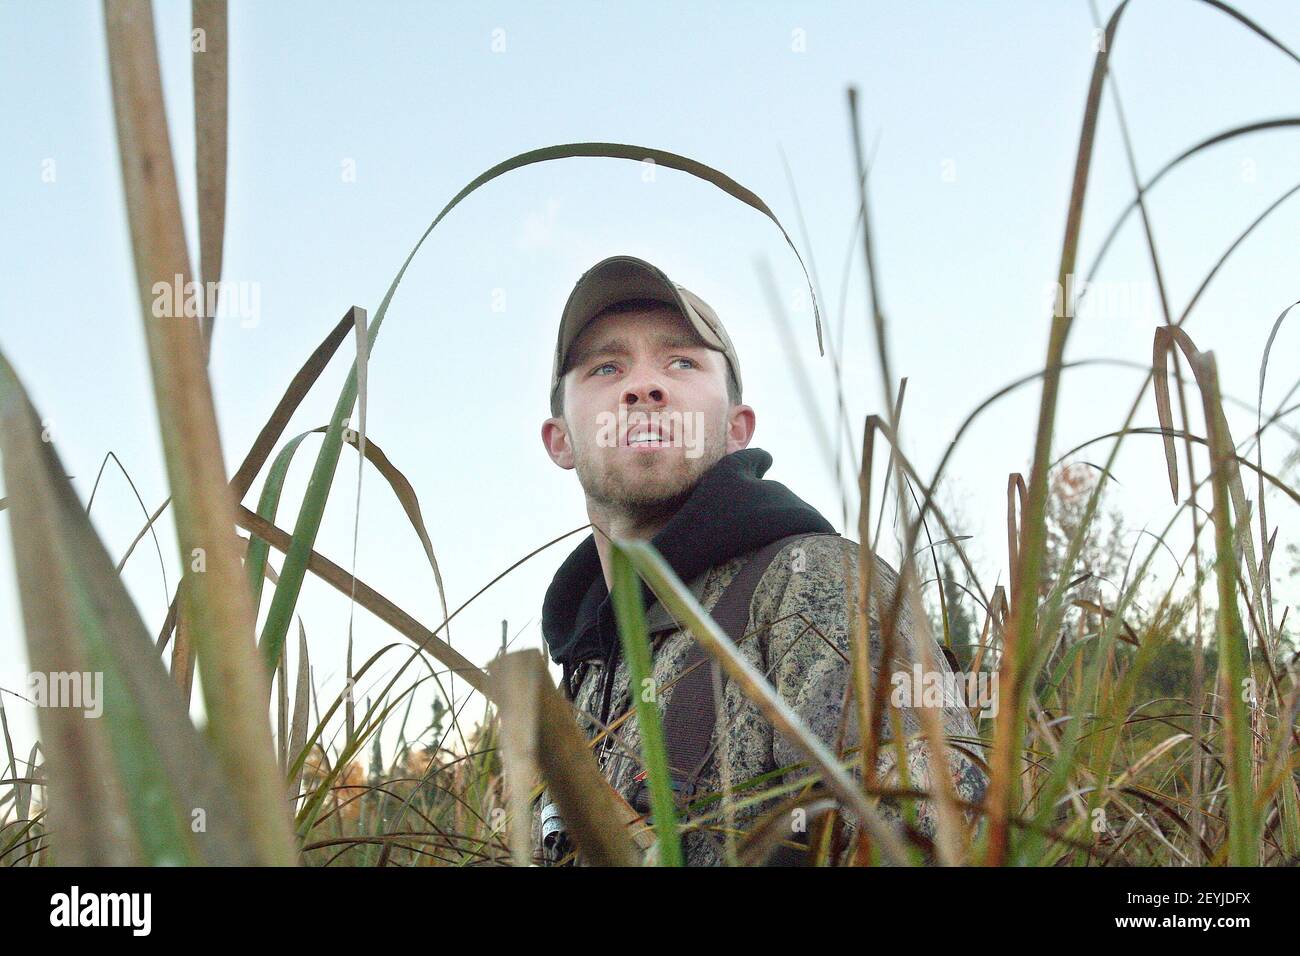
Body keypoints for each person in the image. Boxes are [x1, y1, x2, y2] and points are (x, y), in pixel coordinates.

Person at [534, 254, 987, 865]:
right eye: (606, 367)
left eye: (682, 361)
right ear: (559, 439)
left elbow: (929, 839)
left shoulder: (817, 584)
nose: (643, 386)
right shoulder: (579, 677)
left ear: (736, 428)